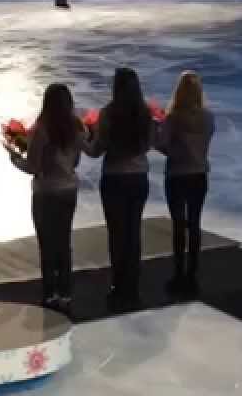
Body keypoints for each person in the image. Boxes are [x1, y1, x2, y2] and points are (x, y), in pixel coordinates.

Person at [6, 83, 86, 315]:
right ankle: (66, 293)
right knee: (64, 243)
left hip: (46, 193)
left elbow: (32, 167)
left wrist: (14, 158)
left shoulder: (41, 130)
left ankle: (50, 294)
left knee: (47, 245)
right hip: (69, 191)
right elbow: (76, 162)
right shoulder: (76, 127)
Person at [85, 67, 155, 311]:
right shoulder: (145, 114)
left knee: (117, 234)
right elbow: (148, 145)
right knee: (133, 232)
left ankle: (118, 285)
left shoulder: (109, 114)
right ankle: (132, 285)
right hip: (138, 177)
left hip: (115, 178)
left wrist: (84, 138)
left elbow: (96, 150)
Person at [155, 71, 215, 297]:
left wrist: (155, 136)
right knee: (195, 222)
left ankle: (178, 268)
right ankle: (194, 268)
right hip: (199, 173)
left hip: (178, 174)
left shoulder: (173, 118)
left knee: (179, 224)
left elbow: (163, 145)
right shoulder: (209, 117)